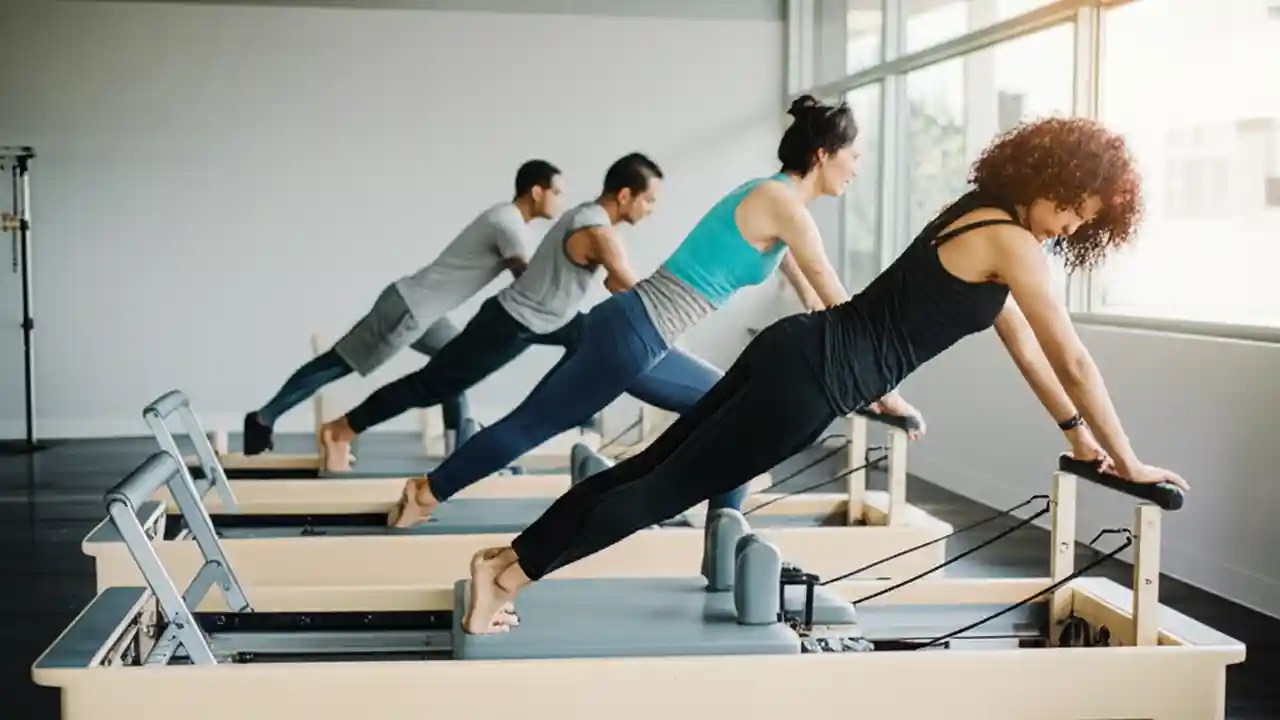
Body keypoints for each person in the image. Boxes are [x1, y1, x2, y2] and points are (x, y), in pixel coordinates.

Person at [457, 114, 1192, 634]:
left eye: (1083, 221)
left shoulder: (977, 217)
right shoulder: (1014, 245)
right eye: (1071, 207)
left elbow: (1030, 353)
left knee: (649, 468)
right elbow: (1074, 357)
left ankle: (504, 560)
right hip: (812, 384)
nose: (1069, 226)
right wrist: (1127, 461)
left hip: (795, 347)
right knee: (662, 490)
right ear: (1047, 178)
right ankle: (508, 580)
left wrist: (1078, 436)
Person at [386, 95, 857, 530]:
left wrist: (808, 302)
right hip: (632, 336)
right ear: (823, 155)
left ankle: (726, 540)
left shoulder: (772, 196)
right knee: (531, 424)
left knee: (741, 417)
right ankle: (427, 491)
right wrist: (884, 387)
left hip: (640, 335)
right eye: (852, 154)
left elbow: (801, 270)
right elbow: (841, 303)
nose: (855, 167)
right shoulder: (784, 206)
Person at [317, 153, 738, 473]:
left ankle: (586, 426)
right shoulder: (595, 229)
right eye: (649, 200)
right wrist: (673, 336)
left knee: (595, 341)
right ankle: (342, 428)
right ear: (625, 195)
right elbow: (626, 285)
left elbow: (618, 288)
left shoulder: (587, 216)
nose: (651, 209)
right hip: (510, 322)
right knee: (432, 384)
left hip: (553, 319)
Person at [240, 159, 563, 457]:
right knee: (338, 363)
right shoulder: (506, 221)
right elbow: (525, 275)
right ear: (536, 191)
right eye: (556, 192)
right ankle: (262, 419)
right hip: (409, 307)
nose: (560, 200)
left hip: (427, 312)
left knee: (453, 372)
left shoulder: (510, 221)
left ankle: (457, 454)